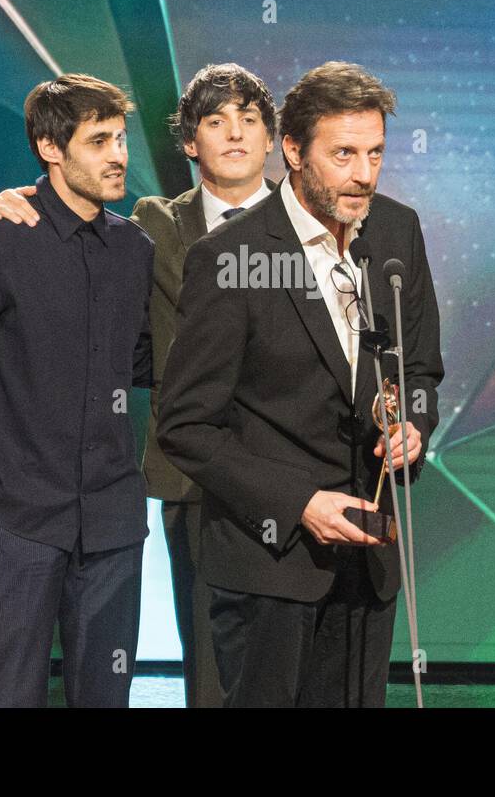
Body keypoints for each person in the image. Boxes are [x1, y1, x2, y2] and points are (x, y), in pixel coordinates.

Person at [0, 63, 278, 707]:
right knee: (209, 666)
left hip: (298, 471)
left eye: (249, 120)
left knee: (298, 656)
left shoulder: (310, 224)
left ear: (274, 138)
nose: (234, 135)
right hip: (190, 474)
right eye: (216, 122)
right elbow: (120, 340)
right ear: (189, 142)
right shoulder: (152, 227)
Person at [157, 61, 444, 707]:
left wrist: (415, 429)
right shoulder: (230, 258)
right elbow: (184, 426)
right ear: (292, 149)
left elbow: (421, 371)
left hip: (368, 568)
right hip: (269, 572)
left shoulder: (397, 233)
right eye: (343, 154)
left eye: (374, 153)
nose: (364, 174)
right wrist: (299, 503)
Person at [0, 75, 154, 707]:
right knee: (13, 696)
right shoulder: (3, 240)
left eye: (120, 138)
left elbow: (141, 361)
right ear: (50, 146)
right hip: (17, 520)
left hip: (113, 522)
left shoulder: (133, 248)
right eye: (99, 141)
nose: (118, 154)